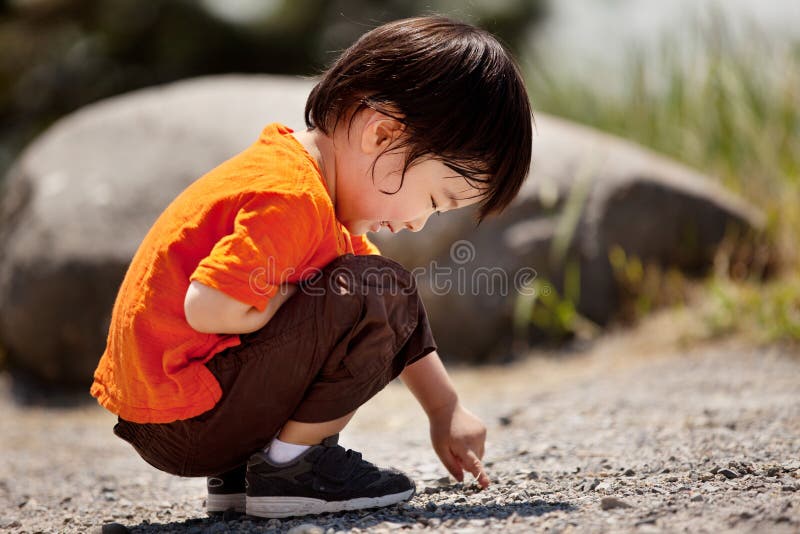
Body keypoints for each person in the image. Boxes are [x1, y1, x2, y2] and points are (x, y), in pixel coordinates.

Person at [90, 15, 532, 519]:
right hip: (187, 414)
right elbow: (207, 306)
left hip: (177, 408)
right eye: (433, 200)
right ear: (381, 134)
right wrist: (285, 295)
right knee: (377, 287)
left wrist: (444, 408)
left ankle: (248, 471)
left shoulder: (311, 193)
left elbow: (399, 317)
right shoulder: (293, 198)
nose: (417, 223)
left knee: (377, 287)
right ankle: (293, 467)